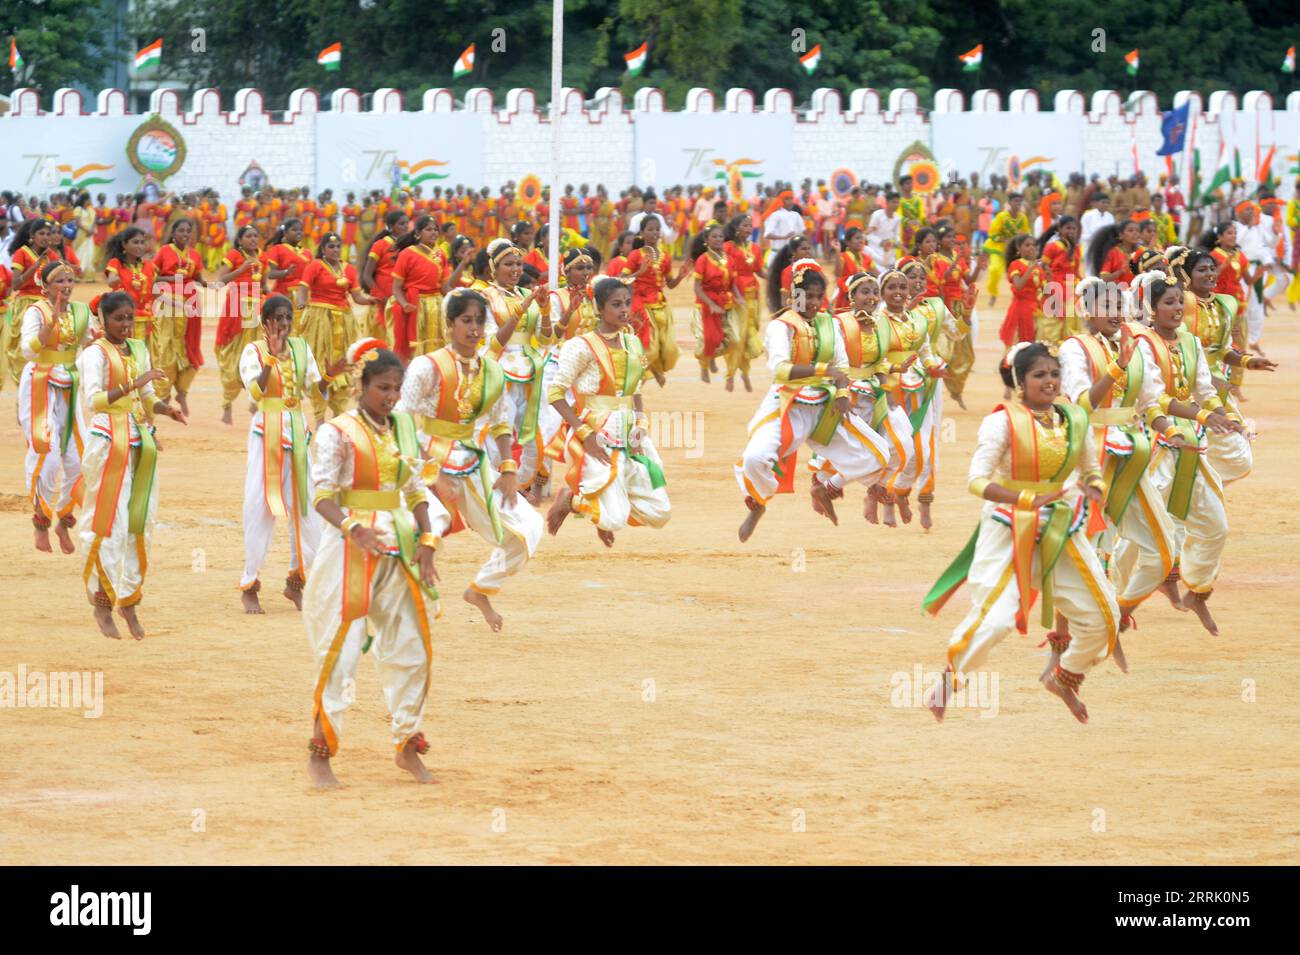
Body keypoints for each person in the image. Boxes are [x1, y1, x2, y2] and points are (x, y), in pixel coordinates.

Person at [921, 342, 1114, 724]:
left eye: (1054, 374)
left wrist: (1094, 487)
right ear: (1021, 382)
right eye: (1040, 375)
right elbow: (977, 481)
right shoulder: (1001, 421)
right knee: (996, 621)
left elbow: (1091, 468)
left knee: (1103, 619)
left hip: (1064, 525)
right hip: (1009, 526)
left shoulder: (1075, 418)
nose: (1050, 381)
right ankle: (950, 677)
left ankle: (1065, 677)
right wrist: (1026, 499)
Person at [302, 346, 449, 788]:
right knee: (340, 652)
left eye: (396, 389)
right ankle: (321, 752)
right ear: (361, 387)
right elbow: (322, 497)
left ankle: (407, 746)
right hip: (350, 552)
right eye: (382, 388)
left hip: (400, 546)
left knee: (412, 648)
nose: (390, 397)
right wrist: (353, 529)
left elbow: (417, 489)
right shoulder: (336, 432)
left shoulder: (404, 426)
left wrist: (427, 543)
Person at [1122, 274, 1250, 636]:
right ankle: (1113, 603)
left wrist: (1223, 416)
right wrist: (1201, 417)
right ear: (1151, 308)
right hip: (1152, 442)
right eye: (1168, 302)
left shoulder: (1191, 342)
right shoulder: (1141, 345)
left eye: (1180, 301)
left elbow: (1205, 391)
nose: (1177, 308)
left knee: (1215, 526)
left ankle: (1198, 592)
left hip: (1191, 446)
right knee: (1136, 535)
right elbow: (1153, 400)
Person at [735, 260, 888, 540]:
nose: (816, 302)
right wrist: (823, 371)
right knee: (755, 459)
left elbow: (841, 365)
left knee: (879, 455)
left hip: (825, 408)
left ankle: (827, 487)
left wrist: (842, 394)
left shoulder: (829, 323)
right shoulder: (780, 327)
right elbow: (780, 370)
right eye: (809, 295)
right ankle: (758, 503)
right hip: (787, 404)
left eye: (820, 296)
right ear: (794, 296)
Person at [76, 291, 187, 639]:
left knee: (142, 521)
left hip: (140, 441)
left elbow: (147, 397)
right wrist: (133, 385)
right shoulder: (94, 354)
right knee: (109, 522)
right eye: (119, 319)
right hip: (109, 440)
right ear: (102, 320)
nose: (126, 325)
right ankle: (102, 602)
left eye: (130, 318)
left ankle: (129, 599)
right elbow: (94, 400)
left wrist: (164, 409)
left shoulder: (138, 348)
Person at [239, 294, 346, 614]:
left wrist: (329, 376)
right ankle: (249, 583)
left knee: (307, 509)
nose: (285, 324)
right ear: (264, 322)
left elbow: (316, 392)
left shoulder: (301, 348)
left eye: (288, 318)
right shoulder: (253, 351)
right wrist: (271, 358)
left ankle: (295, 581)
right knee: (260, 506)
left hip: (298, 434)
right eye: (278, 319)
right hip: (265, 434)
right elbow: (255, 393)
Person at [546, 276, 671, 546]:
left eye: (627, 303)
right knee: (613, 520)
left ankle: (604, 506)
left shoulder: (633, 343)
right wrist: (585, 434)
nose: (624, 310)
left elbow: (636, 391)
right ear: (599, 309)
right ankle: (573, 500)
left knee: (661, 513)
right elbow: (555, 394)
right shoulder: (581, 346)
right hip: (595, 431)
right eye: (616, 304)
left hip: (630, 431)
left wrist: (641, 427)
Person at [18, 261, 94, 553]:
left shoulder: (80, 311)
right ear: (46, 286)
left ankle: (64, 520)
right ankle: (41, 522)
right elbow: (28, 350)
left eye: (70, 280)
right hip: (39, 383)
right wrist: (50, 325)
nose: (66, 286)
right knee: (46, 454)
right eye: (60, 281)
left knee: (80, 459)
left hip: (70, 385)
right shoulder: (36, 311)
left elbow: (90, 342)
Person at [478, 238, 555, 490]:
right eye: (508, 264)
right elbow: (495, 341)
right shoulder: (485, 296)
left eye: (519, 264)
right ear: (494, 267)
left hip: (530, 368)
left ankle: (522, 485)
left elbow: (545, 339)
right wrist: (521, 310)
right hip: (499, 369)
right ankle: (488, 484)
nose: (515, 269)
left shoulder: (526, 293)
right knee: (497, 432)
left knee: (533, 430)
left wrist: (543, 311)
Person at [294, 232, 375, 421]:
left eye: (338, 246)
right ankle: (320, 415)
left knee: (344, 363)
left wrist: (369, 300)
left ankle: (338, 413)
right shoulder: (315, 266)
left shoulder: (349, 269)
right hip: (320, 321)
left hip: (344, 322)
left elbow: (357, 297)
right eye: (331, 247)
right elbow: (303, 289)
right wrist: (300, 303)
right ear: (322, 249)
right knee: (320, 362)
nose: (335, 250)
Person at [151, 217, 208, 412]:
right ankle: (163, 395)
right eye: (181, 230)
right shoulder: (164, 252)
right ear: (173, 233)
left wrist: (206, 283)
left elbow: (198, 278)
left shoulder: (195, 254)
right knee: (167, 349)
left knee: (191, 351)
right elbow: (153, 276)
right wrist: (172, 278)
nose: (185, 234)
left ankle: (182, 392)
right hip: (169, 305)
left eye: (188, 231)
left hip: (191, 305)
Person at [622, 216, 686, 387]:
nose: (655, 233)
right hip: (641, 305)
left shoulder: (665, 256)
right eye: (650, 229)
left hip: (661, 305)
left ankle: (654, 369)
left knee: (670, 350)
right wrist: (639, 272)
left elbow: (670, 284)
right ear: (642, 233)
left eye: (657, 229)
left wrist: (680, 276)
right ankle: (639, 380)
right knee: (647, 349)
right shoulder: (635, 255)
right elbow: (622, 279)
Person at [215, 226, 265, 424]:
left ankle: (255, 401)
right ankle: (227, 405)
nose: (253, 239)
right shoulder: (234, 255)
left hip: (257, 311)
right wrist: (242, 269)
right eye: (248, 236)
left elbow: (263, 284)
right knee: (234, 357)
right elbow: (220, 280)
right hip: (237, 310)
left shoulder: (263, 257)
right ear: (240, 240)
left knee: (257, 356)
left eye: (255, 236)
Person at [691, 224, 746, 389]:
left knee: (735, 340)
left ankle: (710, 357)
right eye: (714, 237)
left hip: (727, 304)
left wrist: (739, 297)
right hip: (707, 305)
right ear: (707, 240)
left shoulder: (729, 259)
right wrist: (711, 304)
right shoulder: (702, 260)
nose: (718, 239)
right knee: (710, 339)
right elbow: (697, 288)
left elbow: (733, 283)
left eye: (720, 236)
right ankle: (704, 366)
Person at [1039, 216, 1082, 342]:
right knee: (1056, 317)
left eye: (1074, 229)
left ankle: (1069, 341)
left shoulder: (1077, 248)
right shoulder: (1052, 246)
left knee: (1072, 317)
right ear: (1059, 229)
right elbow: (1045, 266)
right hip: (1057, 284)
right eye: (1068, 228)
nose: (1071, 231)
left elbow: (1076, 271)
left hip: (1072, 285)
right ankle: (1053, 344)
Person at [983, 193, 1028, 305]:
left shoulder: (1023, 218)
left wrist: (1020, 239)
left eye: (1019, 201)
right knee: (994, 270)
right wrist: (1008, 239)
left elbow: (1026, 234)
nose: (1018, 204)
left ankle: (1020, 298)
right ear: (1009, 203)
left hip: (1014, 251)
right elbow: (992, 234)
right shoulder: (1001, 217)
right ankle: (993, 293)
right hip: (998, 248)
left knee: (1019, 273)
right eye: (1015, 201)